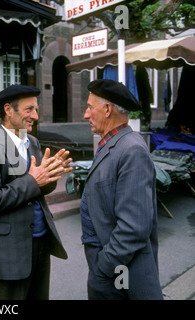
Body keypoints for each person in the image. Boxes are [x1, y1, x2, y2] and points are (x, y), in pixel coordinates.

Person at [0, 84, 72, 300]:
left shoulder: (32, 142)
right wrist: (33, 180)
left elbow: (38, 188)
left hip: (41, 241)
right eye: (29, 110)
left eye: (36, 109)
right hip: (10, 250)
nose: (35, 116)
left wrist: (50, 175)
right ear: (8, 110)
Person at [81, 79, 163, 300]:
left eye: (90, 107)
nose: (85, 115)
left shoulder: (131, 150)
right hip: (110, 267)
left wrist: (104, 267)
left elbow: (134, 227)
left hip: (117, 271)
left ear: (107, 110)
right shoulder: (112, 143)